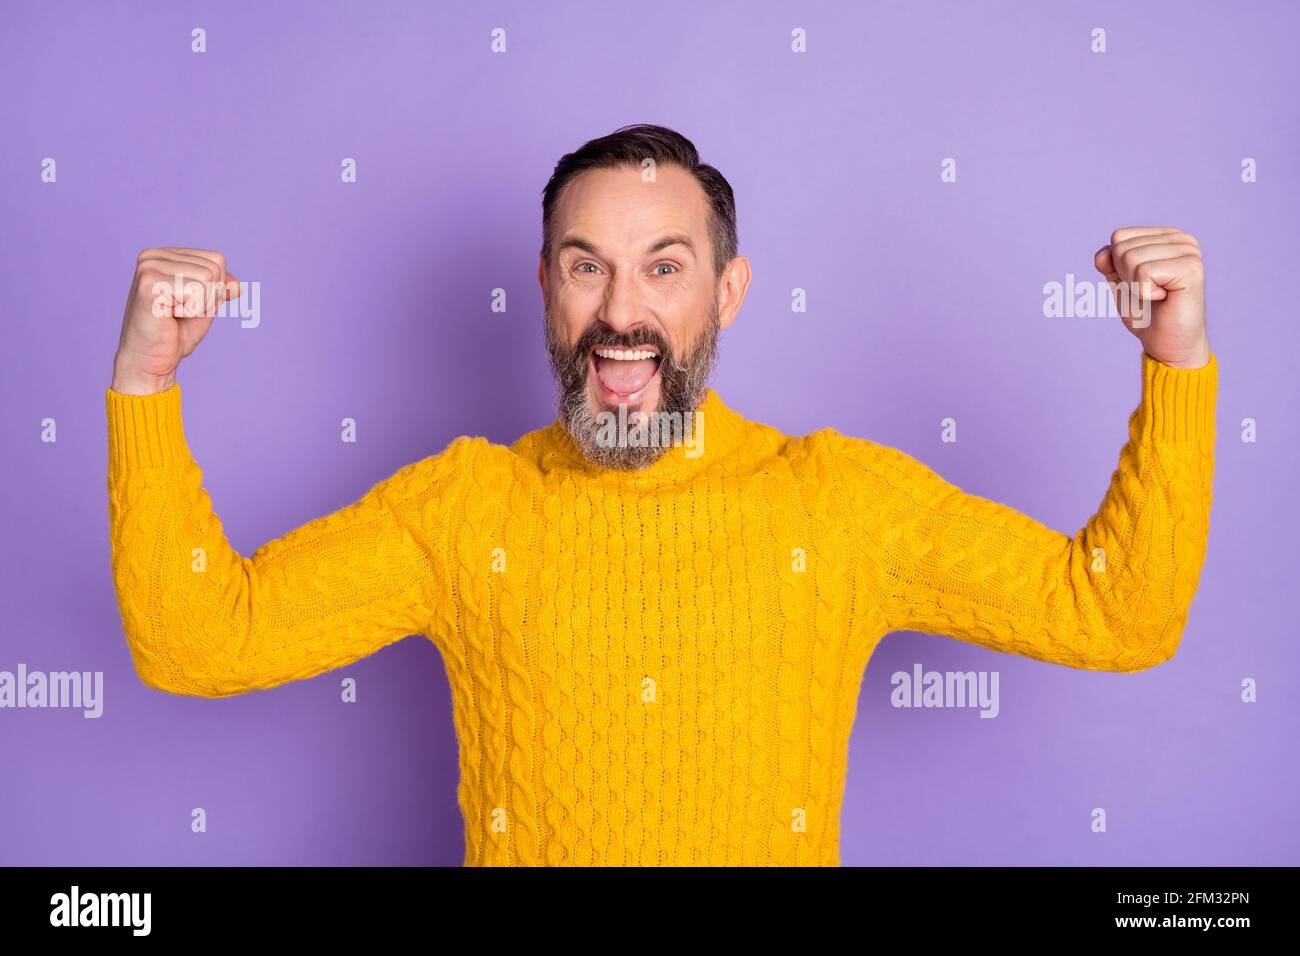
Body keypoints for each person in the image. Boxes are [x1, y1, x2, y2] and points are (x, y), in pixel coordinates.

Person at [105, 124, 1217, 866]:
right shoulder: (462, 509)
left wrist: (1173, 360)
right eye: (586, 265)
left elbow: (1117, 610)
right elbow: (198, 639)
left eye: (664, 267)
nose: (620, 311)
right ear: (546, 287)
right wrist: (145, 383)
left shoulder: (832, 502)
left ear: (727, 291)